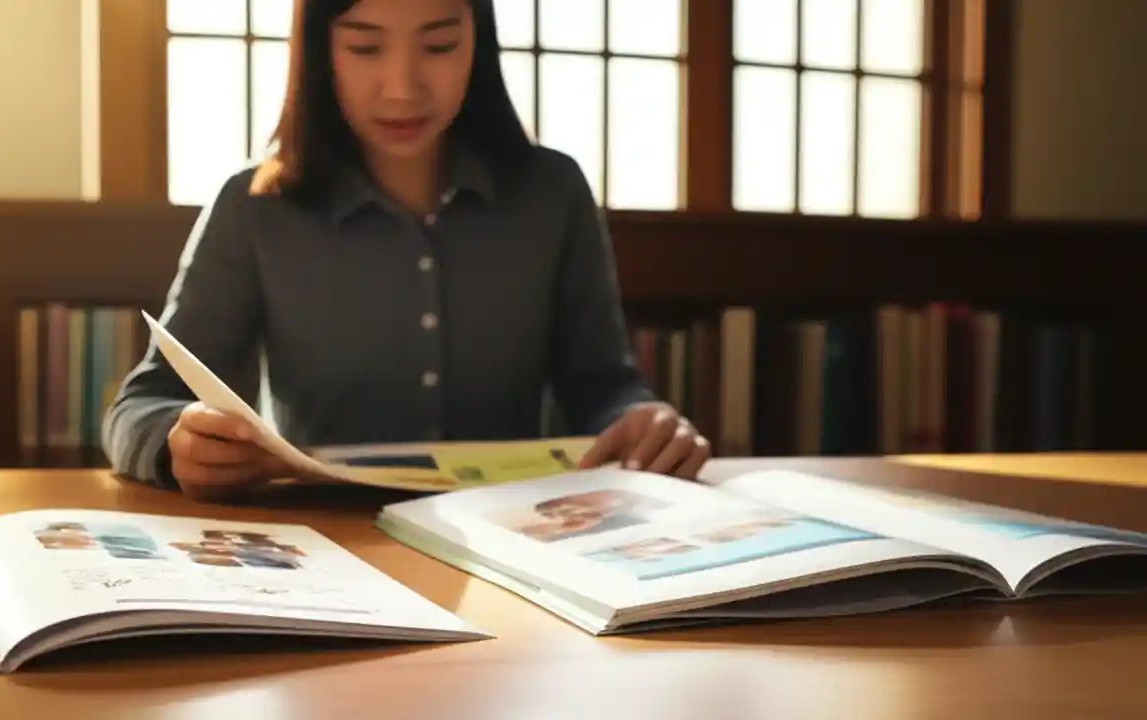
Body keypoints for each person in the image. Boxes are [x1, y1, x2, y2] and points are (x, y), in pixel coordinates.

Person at [102, 0, 710, 502]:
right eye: (365, 48)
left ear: (479, 39)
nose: (403, 87)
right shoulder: (255, 205)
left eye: (440, 45)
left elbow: (603, 385)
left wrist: (645, 420)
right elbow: (141, 404)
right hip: (328, 547)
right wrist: (174, 443)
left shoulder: (552, 193)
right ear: (320, 51)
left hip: (516, 539)